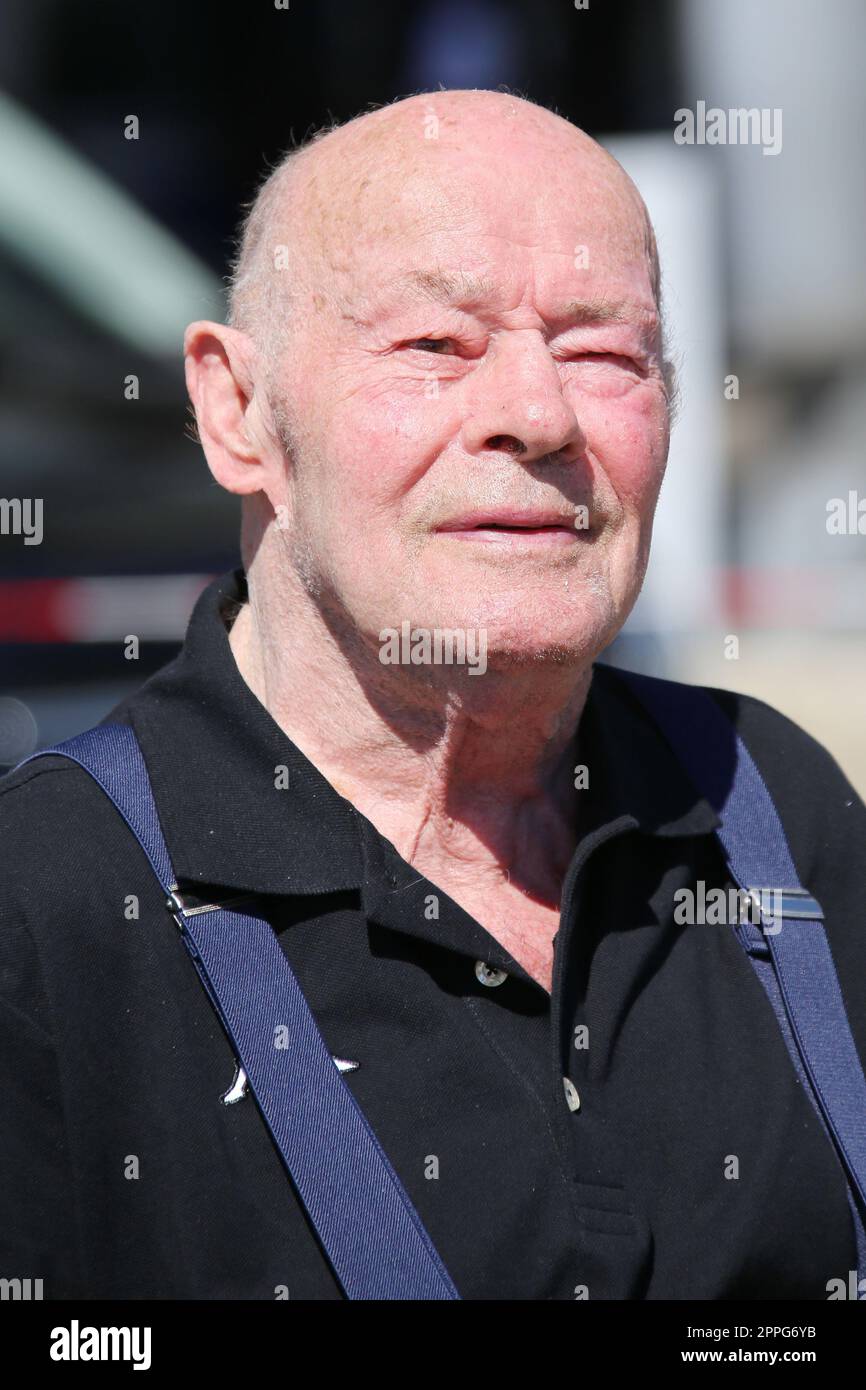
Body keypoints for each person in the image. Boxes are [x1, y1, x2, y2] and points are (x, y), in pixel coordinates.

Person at [2, 89, 865, 1301]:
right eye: (432, 346)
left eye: (601, 351)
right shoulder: (52, 904)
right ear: (237, 412)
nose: (535, 415)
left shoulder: (768, 810)